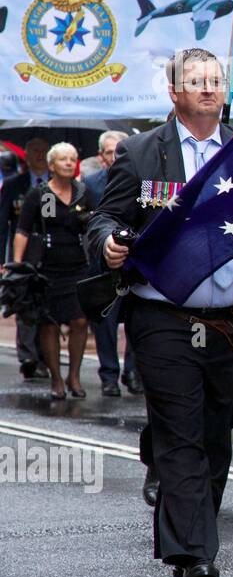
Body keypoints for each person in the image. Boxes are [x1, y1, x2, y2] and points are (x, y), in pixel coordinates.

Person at [85, 47, 233, 577]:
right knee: (182, 432)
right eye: (196, 80)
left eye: (215, 80)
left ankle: (190, 518)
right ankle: (194, 553)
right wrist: (107, 242)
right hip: (163, 316)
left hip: (232, 320)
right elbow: (107, 215)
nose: (207, 88)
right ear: (174, 92)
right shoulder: (138, 152)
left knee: (214, 432)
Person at [12, 143, 93, 400]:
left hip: (78, 265)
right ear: (52, 165)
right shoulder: (40, 194)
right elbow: (23, 230)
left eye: (72, 159)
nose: (69, 163)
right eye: (63, 159)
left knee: (80, 320)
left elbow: (95, 223)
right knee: (50, 323)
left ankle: (75, 376)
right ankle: (57, 379)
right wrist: (17, 267)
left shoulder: (83, 192)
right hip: (47, 267)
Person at [81, 130, 140, 397]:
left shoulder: (141, 178)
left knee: (137, 320)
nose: (116, 157)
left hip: (135, 263)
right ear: (101, 157)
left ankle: (133, 371)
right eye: (110, 152)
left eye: (120, 150)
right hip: (104, 265)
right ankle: (108, 375)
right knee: (106, 323)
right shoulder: (91, 184)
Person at [3, 136, 50, 380]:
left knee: (44, 307)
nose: (40, 155)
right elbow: (3, 223)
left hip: (48, 252)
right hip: (22, 251)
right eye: (35, 151)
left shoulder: (56, 184)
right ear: (27, 155)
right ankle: (27, 356)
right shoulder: (13, 184)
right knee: (23, 304)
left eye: (44, 150)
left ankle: (43, 357)